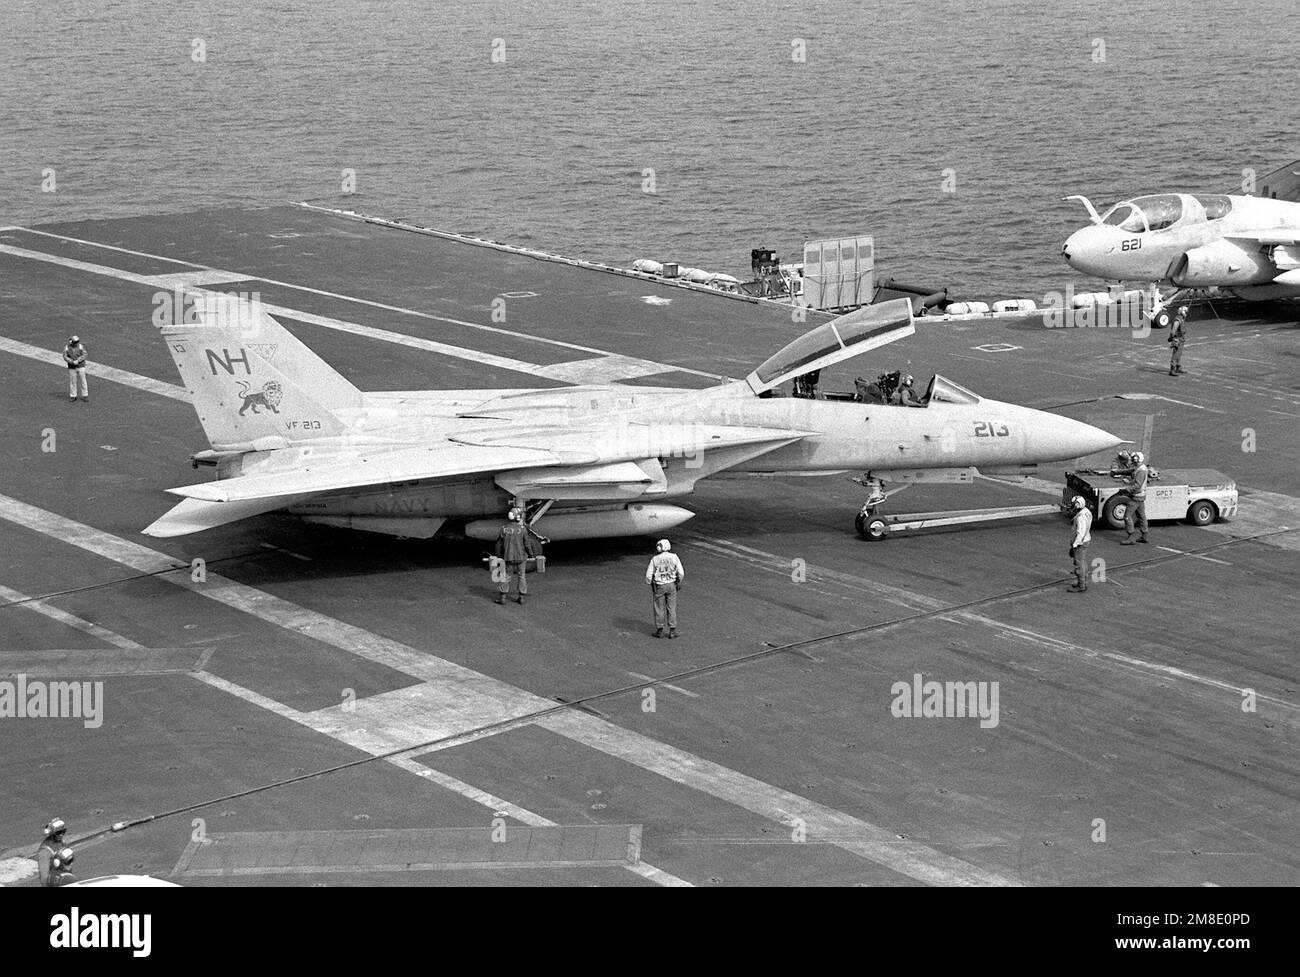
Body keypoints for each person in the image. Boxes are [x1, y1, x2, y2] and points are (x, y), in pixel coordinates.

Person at [493, 506, 540, 604]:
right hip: (521, 557)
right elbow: (527, 544)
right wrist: (531, 555)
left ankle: (503, 598)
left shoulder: (504, 529)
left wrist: (498, 556)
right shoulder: (522, 529)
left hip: (508, 557)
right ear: (518, 517)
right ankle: (521, 598)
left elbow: (499, 544)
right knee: (521, 576)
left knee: (506, 576)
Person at [645, 538, 684, 638]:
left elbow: (649, 575)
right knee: (671, 608)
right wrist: (678, 582)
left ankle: (660, 630)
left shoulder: (655, 559)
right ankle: (672, 630)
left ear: (659, 547)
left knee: (659, 608)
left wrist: (650, 583)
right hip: (671, 585)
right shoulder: (674, 557)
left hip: (660, 586)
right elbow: (681, 573)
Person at [1121, 450, 1150, 545]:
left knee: (1127, 516)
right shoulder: (1141, 468)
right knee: (1141, 516)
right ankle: (1144, 535)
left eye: (1134, 459)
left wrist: (1125, 490)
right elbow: (1131, 471)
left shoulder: (1141, 470)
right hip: (1141, 496)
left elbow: (1137, 486)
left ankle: (1131, 537)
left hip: (1136, 497)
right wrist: (1117, 471)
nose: (1133, 461)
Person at [1067, 495, 1093, 593]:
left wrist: (1074, 545)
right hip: (1086, 539)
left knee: (1078, 564)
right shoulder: (1086, 511)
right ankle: (1083, 582)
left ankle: (1081, 585)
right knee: (1082, 562)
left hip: (1080, 543)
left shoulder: (1080, 517)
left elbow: (1080, 533)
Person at [37, 817, 67, 884]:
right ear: (53, 833)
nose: (61, 834)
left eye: (63, 831)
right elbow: (44, 878)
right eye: (58, 832)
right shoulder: (44, 851)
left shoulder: (62, 842)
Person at [63, 336, 88, 402]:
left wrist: (78, 360)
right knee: (73, 381)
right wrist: (71, 361)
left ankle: (85, 395)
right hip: (72, 367)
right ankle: (73, 396)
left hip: (81, 366)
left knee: (83, 381)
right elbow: (65, 357)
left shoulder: (81, 347)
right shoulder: (66, 347)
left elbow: (84, 355)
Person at [1168, 305, 1188, 376]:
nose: (1186, 313)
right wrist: (1171, 338)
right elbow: (1173, 331)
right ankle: (1172, 370)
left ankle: (1178, 367)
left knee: (1179, 354)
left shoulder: (1181, 319)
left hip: (1181, 339)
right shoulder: (1177, 320)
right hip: (1178, 340)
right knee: (1176, 354)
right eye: (1185, 311)